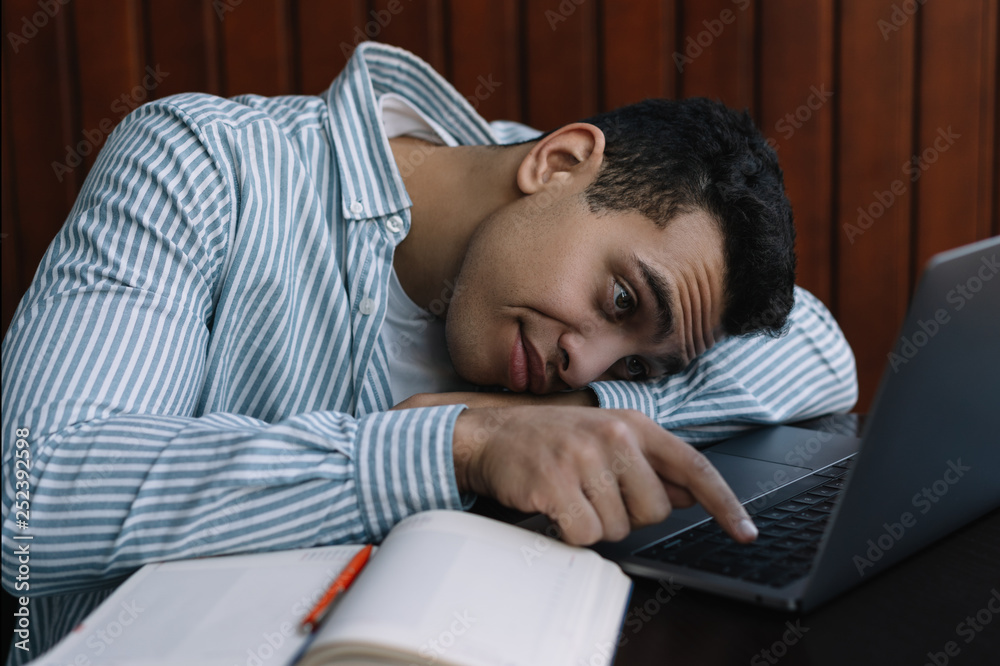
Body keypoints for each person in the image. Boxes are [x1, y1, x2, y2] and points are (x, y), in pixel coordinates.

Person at [0, 42, 856, 663]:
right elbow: (31, 499)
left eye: (634, 359)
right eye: (621, 300)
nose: (588, 360)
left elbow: (819, 348)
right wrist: (463, 444)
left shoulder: (555, 211)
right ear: (558, 161)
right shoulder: (206, 165)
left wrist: (579, 413)